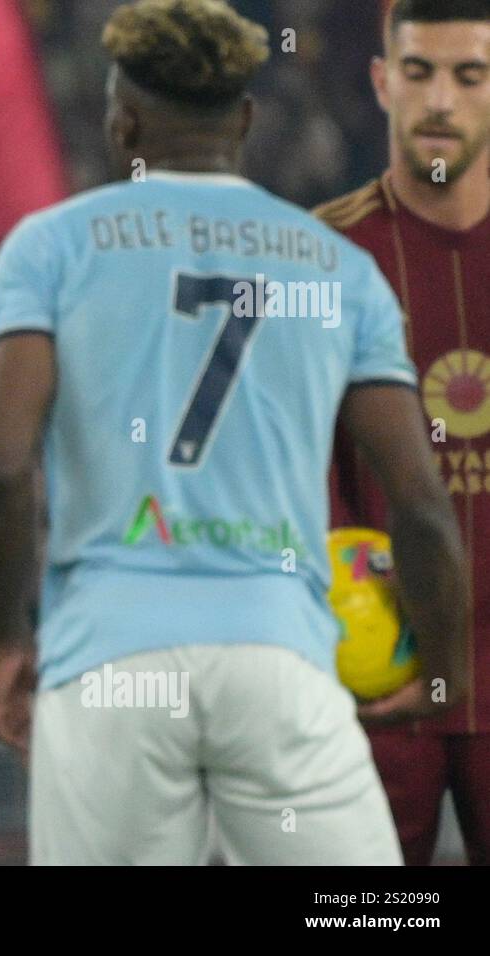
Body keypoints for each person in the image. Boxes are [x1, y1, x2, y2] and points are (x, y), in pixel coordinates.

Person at [0, 0, 468, 865]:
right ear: (243, 119)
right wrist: (444, 666)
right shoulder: (338, 267)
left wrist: (10, 641)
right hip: (280, 658)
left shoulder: (50, 247)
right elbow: (422, 506)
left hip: (108, 659)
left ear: (120, 122)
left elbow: (6, 471)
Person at [314, 0, 490, 865]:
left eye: (471, 74)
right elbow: (291, 471)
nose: (442, 101)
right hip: (373, 687)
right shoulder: (318, 255)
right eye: (419, 72)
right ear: (383, 82)